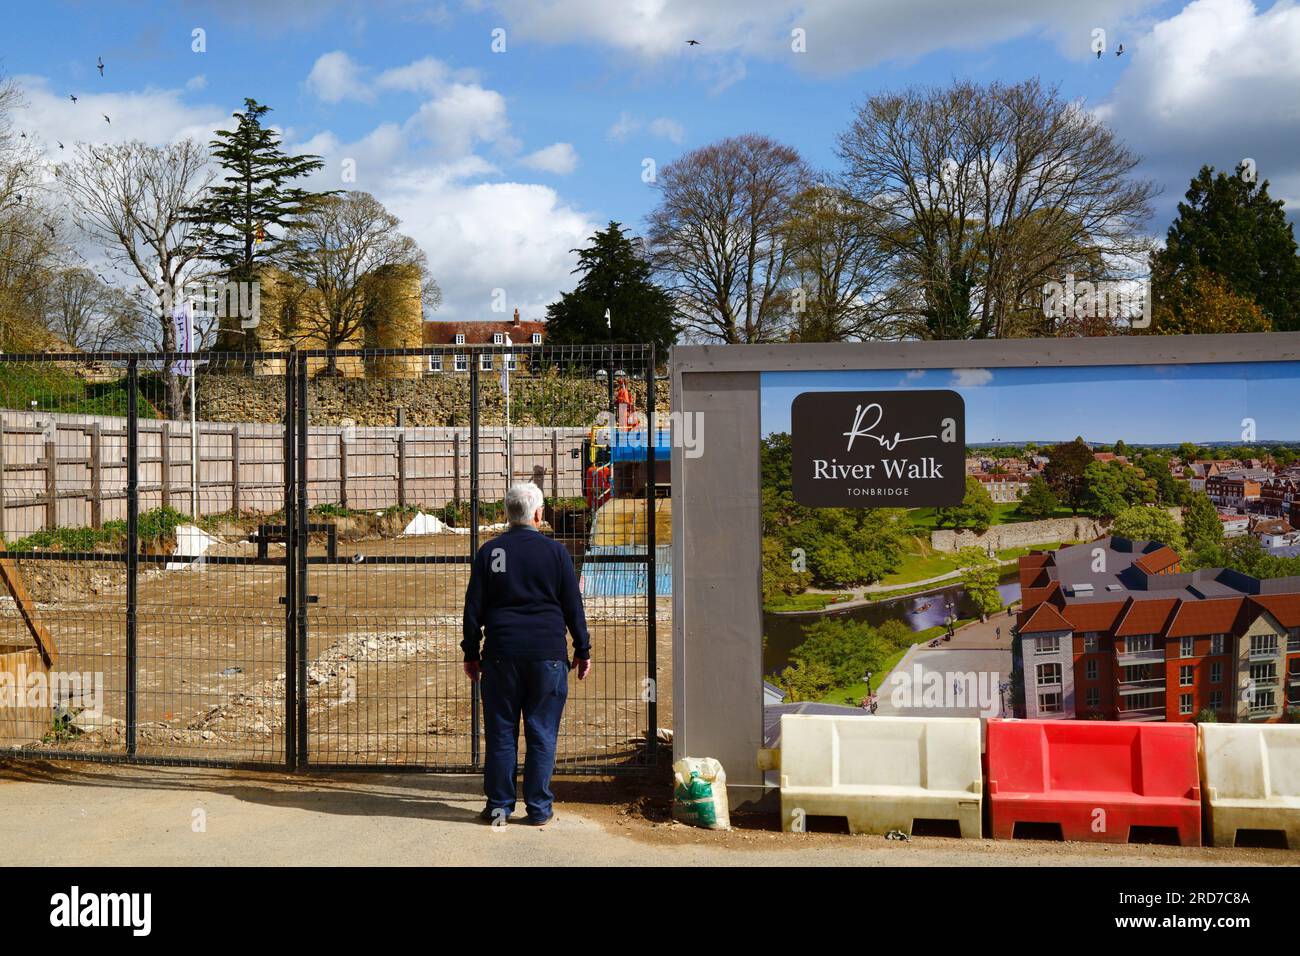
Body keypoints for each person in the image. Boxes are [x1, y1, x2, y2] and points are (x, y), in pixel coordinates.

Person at [462, 482, 593, 826]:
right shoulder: (556, 552)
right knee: (541, 732)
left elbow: (473, 607)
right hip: (547, 655)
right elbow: (572, 606)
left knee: (501, 734)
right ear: (538, 514)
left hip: (501, 654)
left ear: (508, 514)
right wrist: (582, 648)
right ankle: (538, 808)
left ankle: (499, 807)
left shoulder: (490, 552)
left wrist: (471, 651)